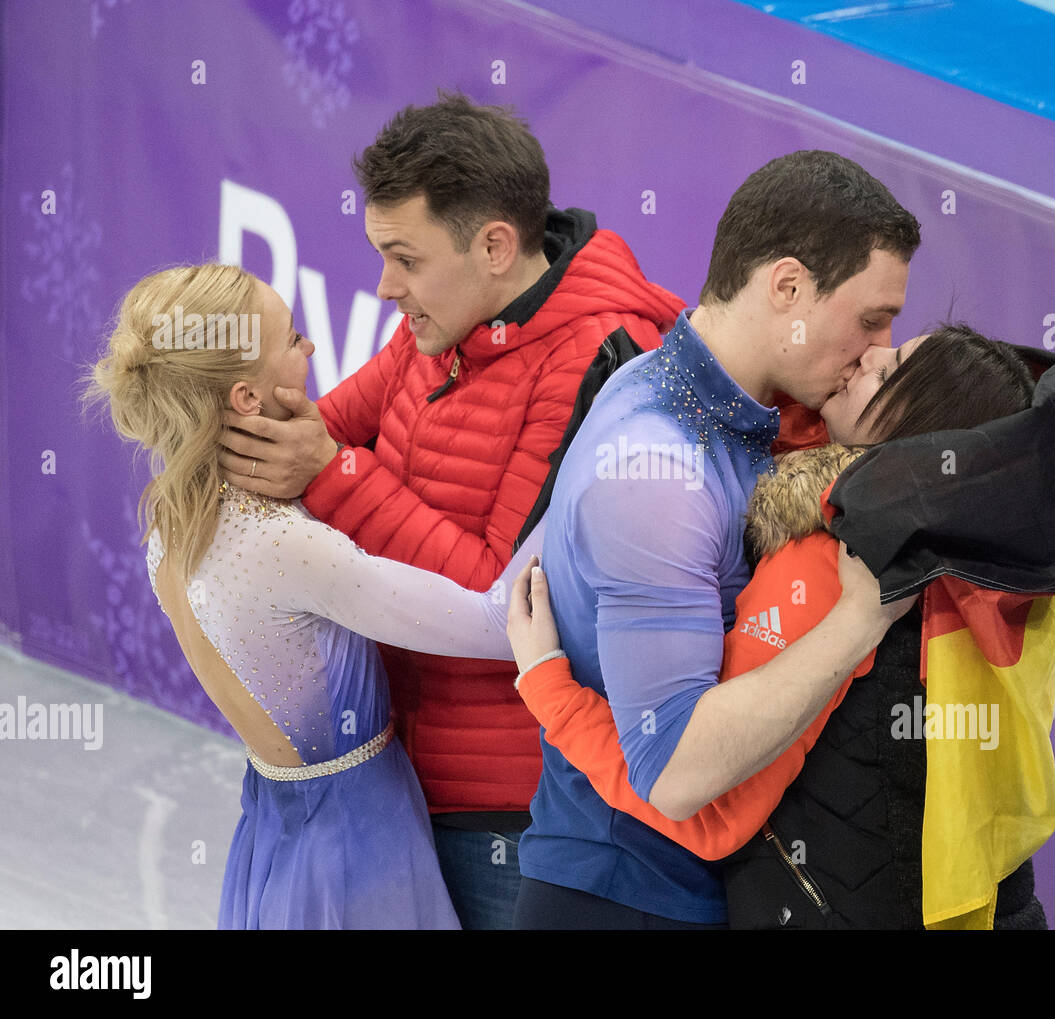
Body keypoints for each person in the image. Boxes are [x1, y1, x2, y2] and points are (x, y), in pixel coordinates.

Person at [214, 92, 683, 928]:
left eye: (404, 258)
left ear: (494, 246)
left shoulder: (601, 362)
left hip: (508, 812)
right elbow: (319, 434)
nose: (386, 285)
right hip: (401, 776)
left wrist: (332, 475)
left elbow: (500, 600)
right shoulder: (442, 320)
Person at [506, 325, 1055, 928]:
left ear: (918, 435)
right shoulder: (974, 541)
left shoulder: (838, 559)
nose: (866, 353)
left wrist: (551, 692)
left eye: (888, 371)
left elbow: (708, 807)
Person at [503, 149, 923, 928]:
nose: (878, 347)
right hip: (620, 898)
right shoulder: (659, 476)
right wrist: (864, 618)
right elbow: (679, 772)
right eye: (871, 319)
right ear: (788, 287)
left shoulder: (712, 403)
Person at [83, 263, 522, 929]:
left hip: (273, 831)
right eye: (291, 340)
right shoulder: (286, 545)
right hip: (358, 846)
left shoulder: (168, 526)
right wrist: (579, 469)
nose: (310, 348)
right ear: (245, 400)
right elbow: (496, 621)